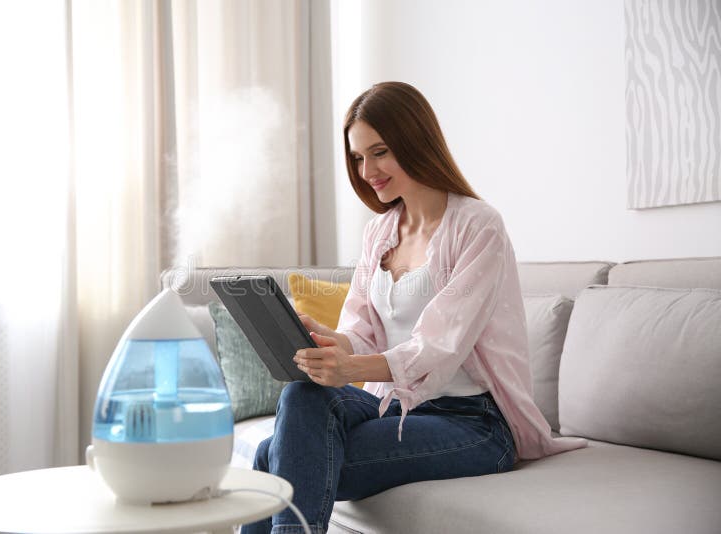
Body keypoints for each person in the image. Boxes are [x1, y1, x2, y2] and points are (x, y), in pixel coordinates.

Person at [241, 82, 586, 534]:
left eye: (379, 152)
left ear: (414, 140)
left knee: (277, 457)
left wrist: (350, 367)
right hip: (394, 410)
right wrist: (323, 340)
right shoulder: (378, 233)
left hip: (473, 422)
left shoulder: (478, 226)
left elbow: (439, 346)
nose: (367, 170)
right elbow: (361, 332)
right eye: (359, 157)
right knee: (302, 395)